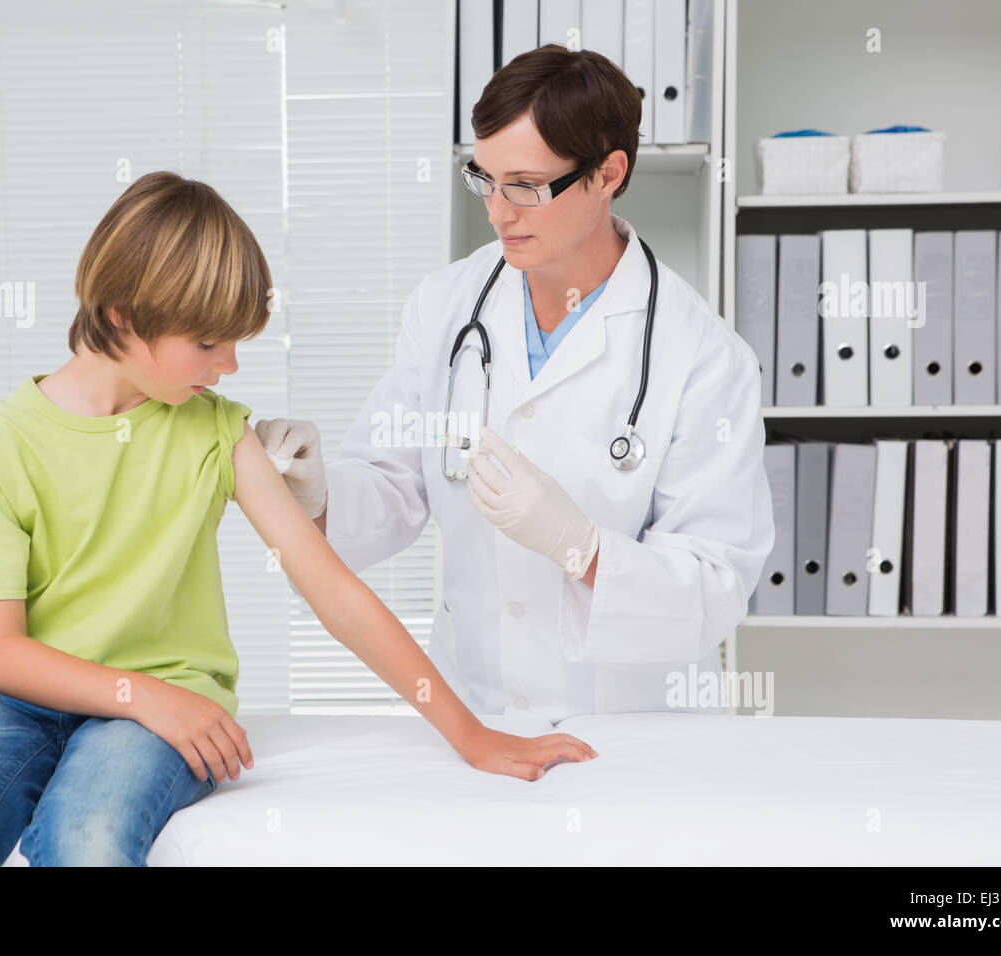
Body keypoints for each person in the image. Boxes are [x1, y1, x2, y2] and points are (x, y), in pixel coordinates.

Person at [0, 170, 596, 868]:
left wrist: (469, 735)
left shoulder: (216, 431)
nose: (229, 367)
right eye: (209, 344)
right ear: (122, 315)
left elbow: (334, 594)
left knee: (89, 834)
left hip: (168, 699)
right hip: (22, 705)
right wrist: (142, 696)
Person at [255, 46, 774, 722]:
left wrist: (580, 548)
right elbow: (396, 484)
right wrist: (321, 493)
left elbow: (715, 587)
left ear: (607, 174)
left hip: (632, 732)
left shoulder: (703, 356)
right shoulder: (447, 307)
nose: (499, 211)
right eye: (485, 178)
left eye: (526, 185)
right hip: (472, 712)